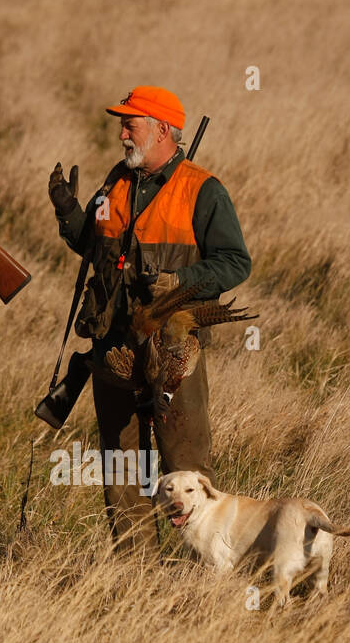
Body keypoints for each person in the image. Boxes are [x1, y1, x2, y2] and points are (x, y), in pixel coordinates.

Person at [49, 85, 251, 554]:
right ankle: (136, 580)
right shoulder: (116, 182)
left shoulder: (204, 190)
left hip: (171, 351)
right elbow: (93, 246)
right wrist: (68, 213)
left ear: (162, 130)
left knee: (186, 468)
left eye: (130, 124)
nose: (121, 133)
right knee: (123, 469)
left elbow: (235, 262)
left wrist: (179, 280)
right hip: (113, 348)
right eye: (122, 124)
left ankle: (207, 571)